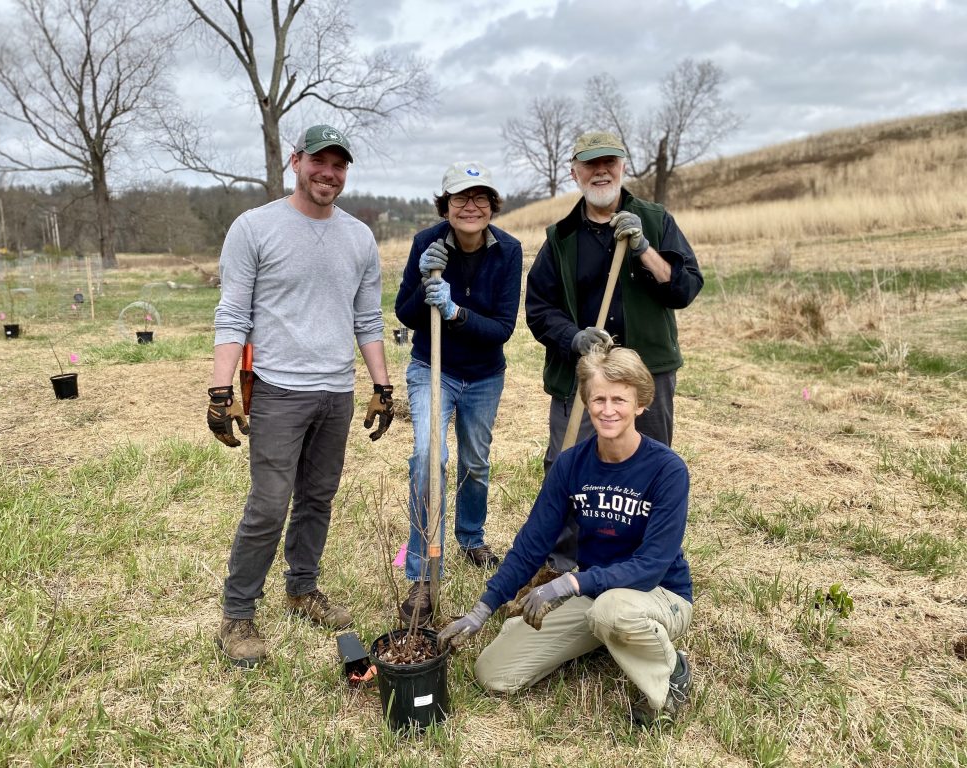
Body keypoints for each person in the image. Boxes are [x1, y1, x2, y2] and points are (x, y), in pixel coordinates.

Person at [206, 124, 395, 668]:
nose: (328, 174)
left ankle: (302, 588)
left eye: (339, 165)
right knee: (268, 504)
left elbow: (366, 318)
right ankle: (238, 613)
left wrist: (381, 385)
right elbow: (233, 314)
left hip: (336, 392)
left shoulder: (358, 237)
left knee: (318, 497)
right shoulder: (255, 227)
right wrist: (221, 390)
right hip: (278, 391)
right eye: (319, 161)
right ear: (296, 161)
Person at [437, 342, 694, 725]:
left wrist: (566, 584)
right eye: (598, 399)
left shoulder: (667, 470)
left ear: (640, 403)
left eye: (620, 400)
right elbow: (532, 544)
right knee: (493, 674)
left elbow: (651, 566)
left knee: (612, 612)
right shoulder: (572, 464)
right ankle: (609, 637)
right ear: (586, 403)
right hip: (595, 593)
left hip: (659, 594)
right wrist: (483, 608)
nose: (608, 410)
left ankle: (671, 674)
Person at [524, 130, 703, 575]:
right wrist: (573, 338)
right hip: (582, 375)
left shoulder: (656, 220)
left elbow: (685, 288)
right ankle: (561, 567)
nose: (600, 170)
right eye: (590, 163)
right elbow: (539, 309)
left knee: (650, 465)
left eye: (609, 161)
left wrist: (644, 250)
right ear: (575, 172)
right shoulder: (562, 237)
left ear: (623, 166)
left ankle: (644, 566)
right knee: (565, 468)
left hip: (649, 375)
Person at [393, 161, 523, 626]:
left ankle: (471, 538)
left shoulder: (509, 251)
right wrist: (425, 282)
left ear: (492, 205)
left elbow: (503, 329)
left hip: (484, 375)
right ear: (445, 206)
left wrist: (453, 311)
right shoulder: (425, 243)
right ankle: (423, 574)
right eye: (461, 198)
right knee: (429, 457)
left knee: (475, 463)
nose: (471, 206)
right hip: (433, 370)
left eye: (480, 197)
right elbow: (406, 313)